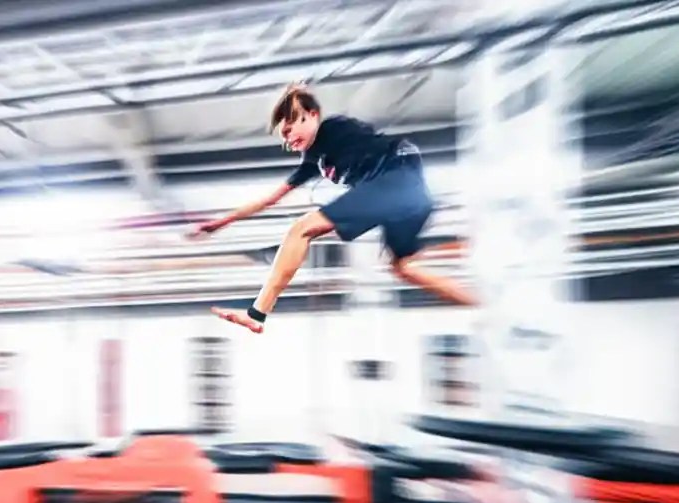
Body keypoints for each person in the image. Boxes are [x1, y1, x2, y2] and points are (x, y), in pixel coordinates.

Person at [191, 84, 475, 334]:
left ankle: (257, 314)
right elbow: (270, 199)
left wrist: (295, 94)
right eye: (284, 137)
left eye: (290, 130)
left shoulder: (334, 129)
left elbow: (365, 136)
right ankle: (481, 301)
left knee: (302, 229)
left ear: (312, 115)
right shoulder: (313, 160)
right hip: (408, 198)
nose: (288, 140)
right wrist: (221, 222)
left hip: (396, 178)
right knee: (402, 268)